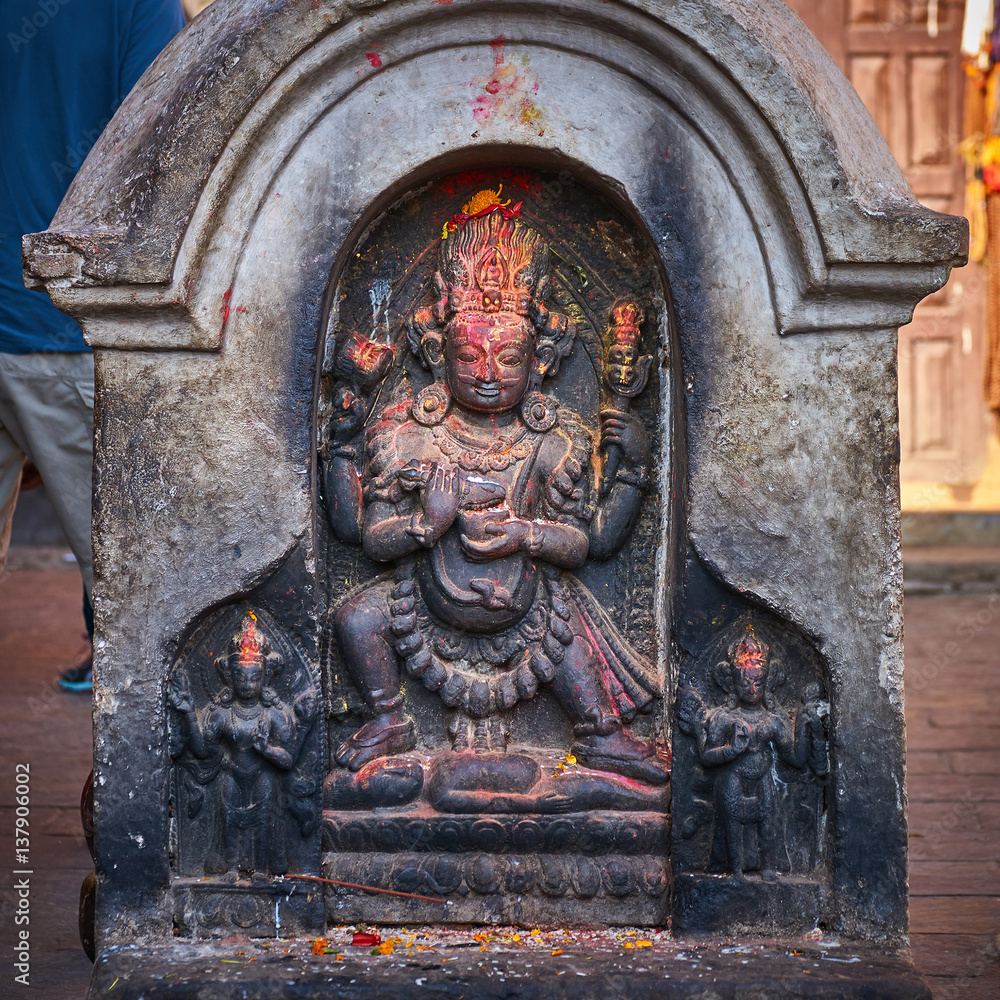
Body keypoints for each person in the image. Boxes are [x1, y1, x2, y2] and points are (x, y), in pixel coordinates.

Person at [323, 191, 669, 785]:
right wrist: (426, 524)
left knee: (566, 633)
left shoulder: (555, 441)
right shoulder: (408, 437)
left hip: (530, 608)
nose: (488, 374)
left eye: (508, 358)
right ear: (438, 355)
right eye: (469, 356)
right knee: (355, 619)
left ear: (540, 361)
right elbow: (370, 538)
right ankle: (387, 716)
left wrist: (526, 533)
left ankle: (600, 731)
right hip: (422, 601)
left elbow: (585, 545)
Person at [0, 0, 186, 690]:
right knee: (142, 616)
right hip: (69, 331)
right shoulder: (139, 7)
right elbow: (164, 158)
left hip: (48, 326)